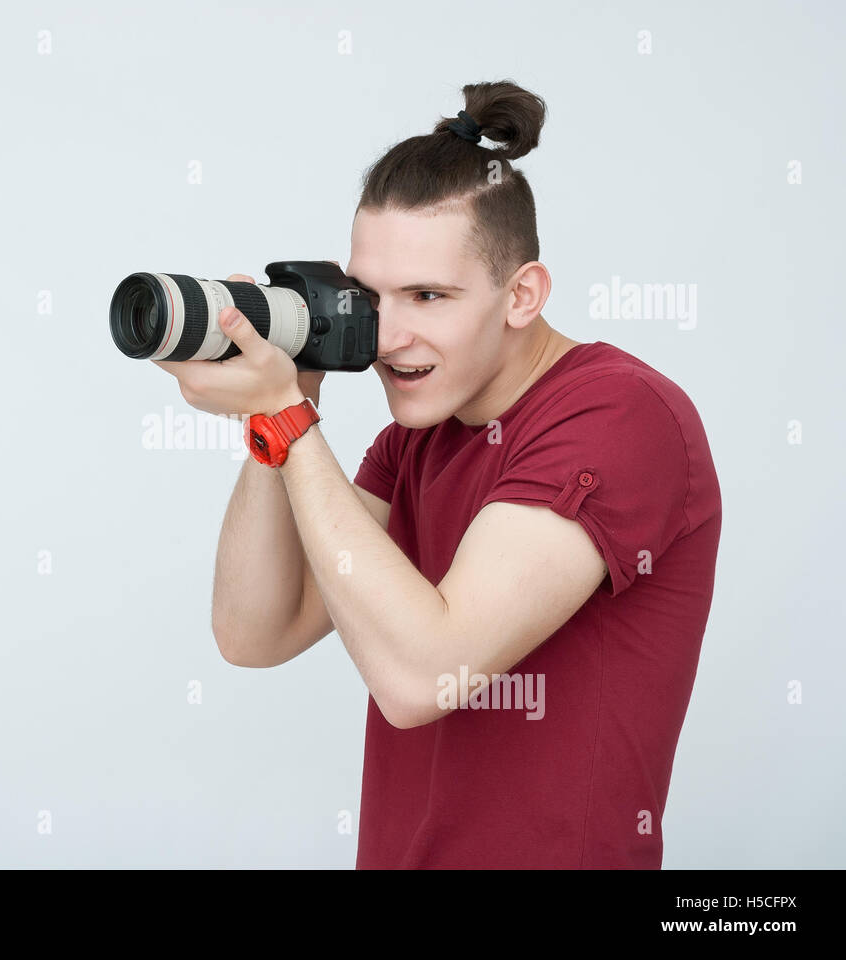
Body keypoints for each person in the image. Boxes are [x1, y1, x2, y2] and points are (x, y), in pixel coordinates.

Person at [152, 79, 721, 869]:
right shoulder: (415, 440)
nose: (388, 336)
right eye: (369, 298)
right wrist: (280, 406)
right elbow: (254, 632)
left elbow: (424, 676)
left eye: (429, 295)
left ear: (523, 294)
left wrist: (290, 419)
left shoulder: (621, 416)